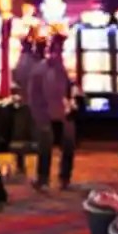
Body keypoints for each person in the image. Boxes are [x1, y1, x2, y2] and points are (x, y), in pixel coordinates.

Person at [27, 28, 76, 190]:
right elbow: (34, 96)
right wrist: (40, 117)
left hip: (61, 113)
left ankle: (64, 177)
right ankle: (43, 179)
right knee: (45, 144)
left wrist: (71, 102)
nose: (59, 54)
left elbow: (68, 90)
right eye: (56, 49)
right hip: (44, 114)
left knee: (69, 142)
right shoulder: (40, 70)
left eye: (61, 50)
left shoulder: (62, 69)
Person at [10, 30, 45, 177]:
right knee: (38, 137)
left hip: (22, 102)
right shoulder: (36, 62)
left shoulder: (21, 61)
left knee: (20, 137)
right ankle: (41, 172)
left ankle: (20, 166)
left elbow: (15, 79)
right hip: (35, 104)